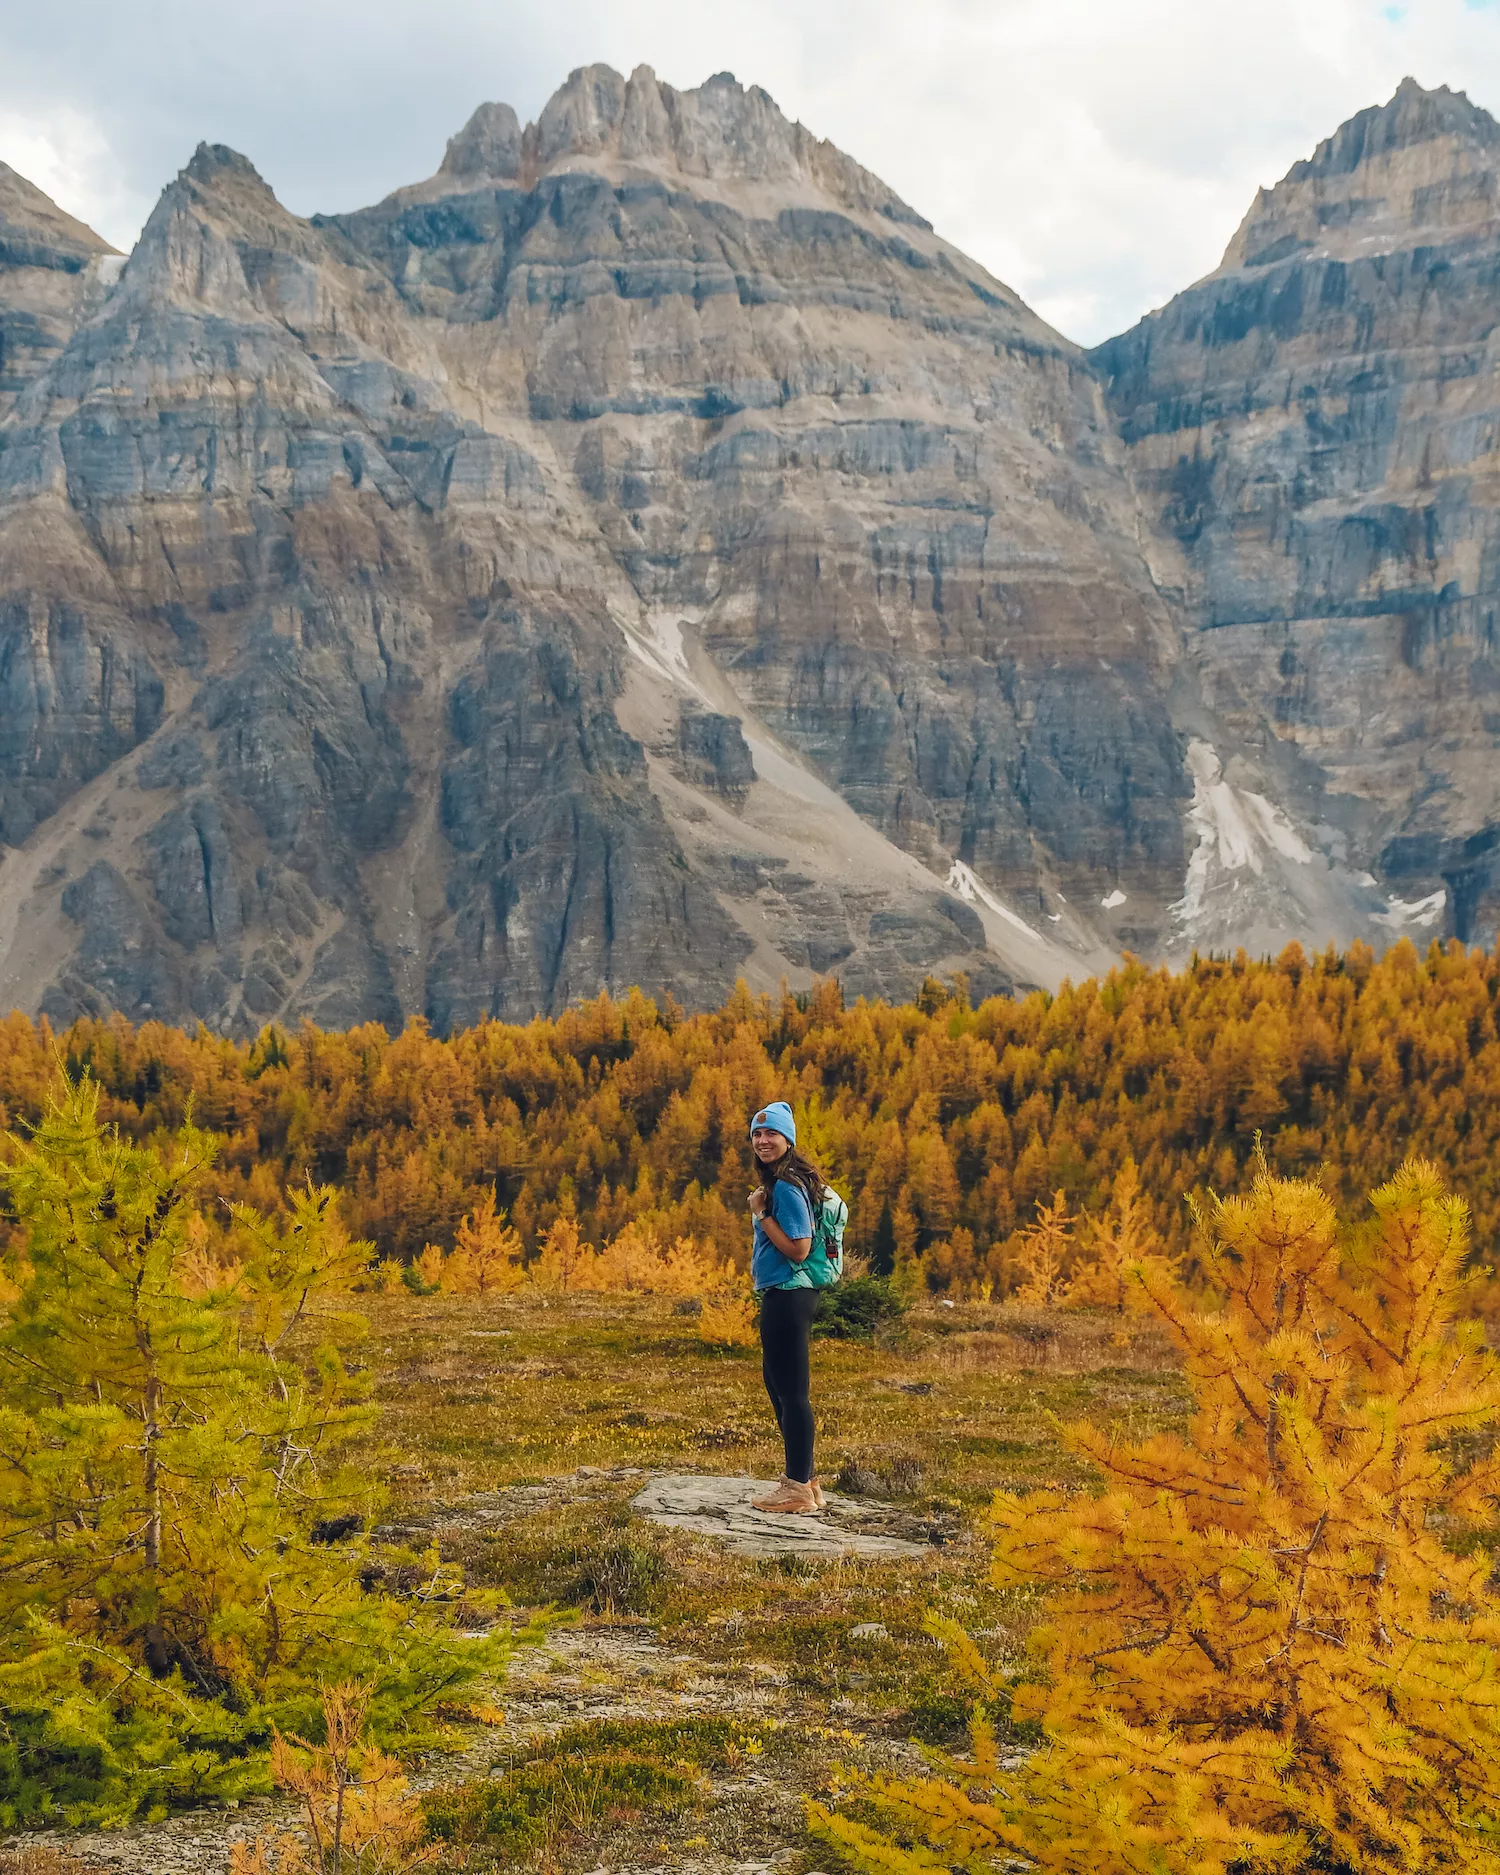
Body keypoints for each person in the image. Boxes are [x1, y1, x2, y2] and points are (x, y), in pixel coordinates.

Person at [746, 1100, 828, 1514]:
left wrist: (762, 1215)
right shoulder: (788, 1180)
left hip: (789, 1291)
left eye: (771, 1134)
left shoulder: (788, 1185)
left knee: (791, 1391)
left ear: (788, 1139)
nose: (762, 1140)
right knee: (780, 1387)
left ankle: (796, 1487)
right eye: (757, 1134)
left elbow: (799, 1248)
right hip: (789, 1293)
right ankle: (806, 1480)